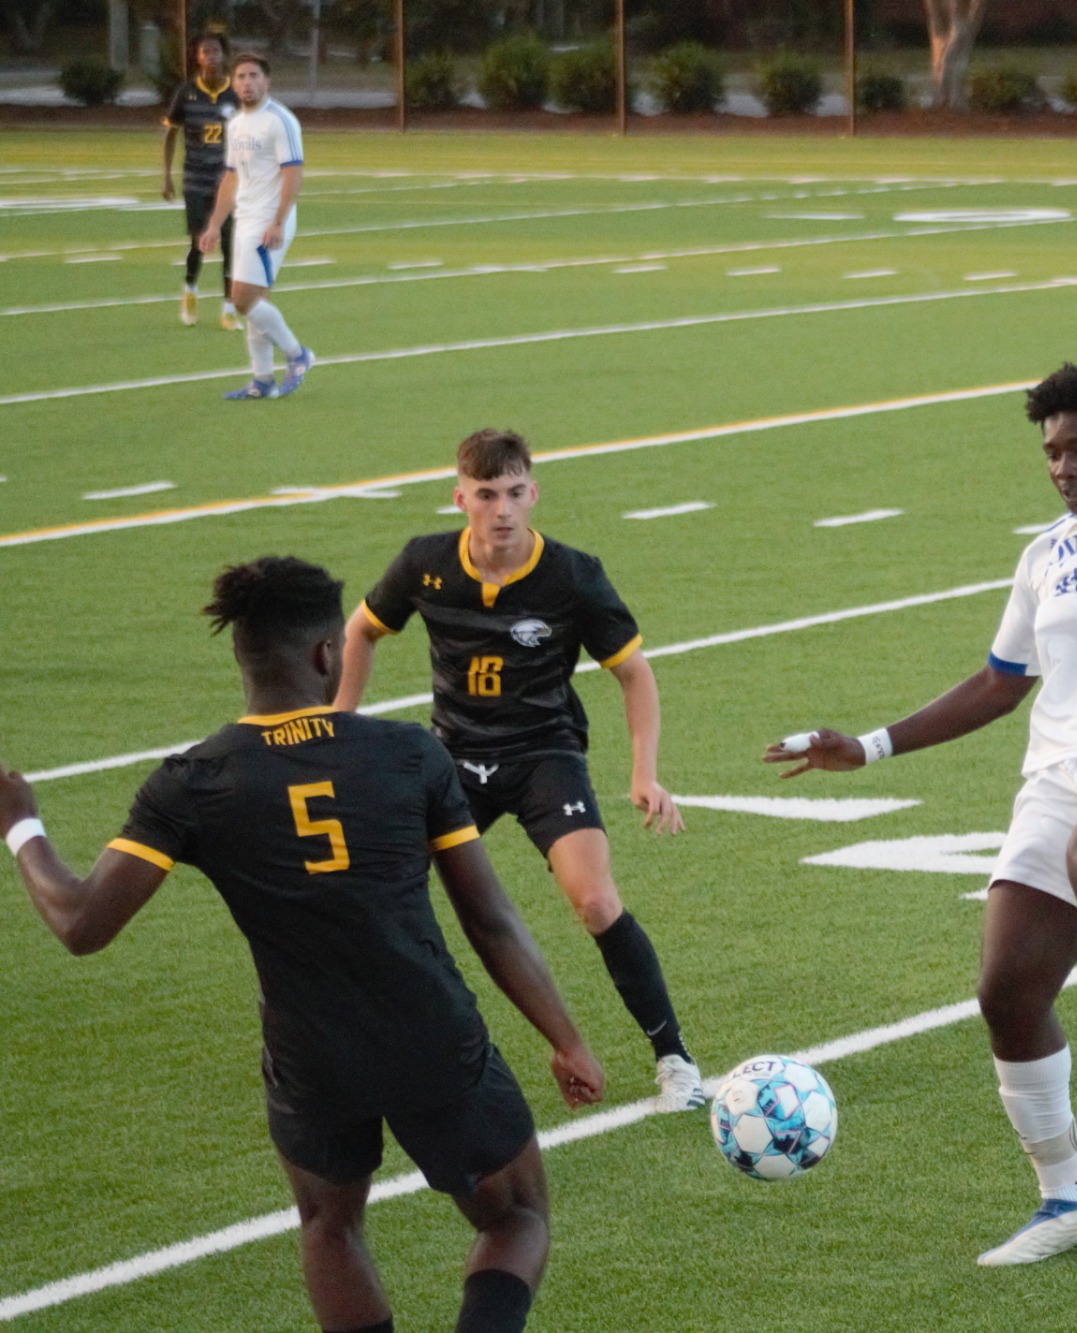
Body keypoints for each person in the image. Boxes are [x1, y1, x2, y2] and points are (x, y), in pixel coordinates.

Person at [1, 556, 606, 1333]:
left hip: (310, 1054)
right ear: (328, 653)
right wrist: (565, 1038)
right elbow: (488, 917)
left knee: (329, 1221)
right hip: (429, 1029)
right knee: (516, 1215)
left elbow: (81, 923)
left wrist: (23, 822)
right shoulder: (407, 755)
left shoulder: (195, 780)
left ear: (242, 655)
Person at [766, 359, 1077, 1266]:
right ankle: (1065, 1198)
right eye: (1051, 452)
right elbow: (1000, 683)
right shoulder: (1043, 555)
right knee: (1006, 992)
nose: (1065, 465)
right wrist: (869, 745)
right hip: (1056, 772)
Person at [336, 429, 704, 1111]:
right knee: (381, 891)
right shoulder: (424, 564)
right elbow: (360, 630)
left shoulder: (573, 575)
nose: (501, 509)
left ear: (533, 493)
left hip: (543, 754)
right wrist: (340, 722)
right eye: (485, 494)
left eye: (513, 492)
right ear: (460, 498)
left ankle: (674, 1056)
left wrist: (643, 772)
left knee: (595, 900)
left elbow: (634, 673)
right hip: (450, 759)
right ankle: (373, 1045)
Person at [199, 52, 313, 400]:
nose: (247, 83)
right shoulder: (235, 124)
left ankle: (297, 354)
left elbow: (293, 173)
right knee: (255, 300)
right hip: (245, 219)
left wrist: (278, 221)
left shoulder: (280, 120)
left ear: (267, 81)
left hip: (268, 220)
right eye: (241, 77)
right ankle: (262, 380)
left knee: (242, 299)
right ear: (233, 83)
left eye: (254, 76)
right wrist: (215, 224)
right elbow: (232, 177)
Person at [160, 32, 240, 330]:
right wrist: (167, 176)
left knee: (231, 244)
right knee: (200, 240)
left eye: (216, 51)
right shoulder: (186, 93)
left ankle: (229, 308)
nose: (211, 57)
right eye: (205, 52)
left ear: (224, 55)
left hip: (228, 182)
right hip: (195, 179)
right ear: (198, 57)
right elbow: (170, 134)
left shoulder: (236, 93)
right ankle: (190, 289)